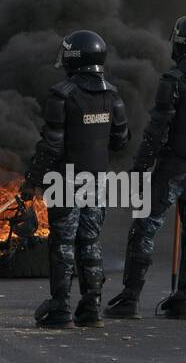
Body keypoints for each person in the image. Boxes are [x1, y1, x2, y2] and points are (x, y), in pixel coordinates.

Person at [106, 16, 186, 320]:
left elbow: (156, 132)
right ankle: (184, 300)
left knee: (144, 230)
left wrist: (139, 169)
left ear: (182, 44)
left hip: (171, 170)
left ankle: (130, 298)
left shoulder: (174, 82)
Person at [23, 30, 130, 328]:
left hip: (66, 182)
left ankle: (60, 309)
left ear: (71, 58)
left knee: (63, 244)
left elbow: (51, 145)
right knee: (90, 241)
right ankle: (91, 307)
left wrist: (32, 179)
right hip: (98, 180)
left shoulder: (62, 94)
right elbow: (121, 140)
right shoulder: (112, 94)